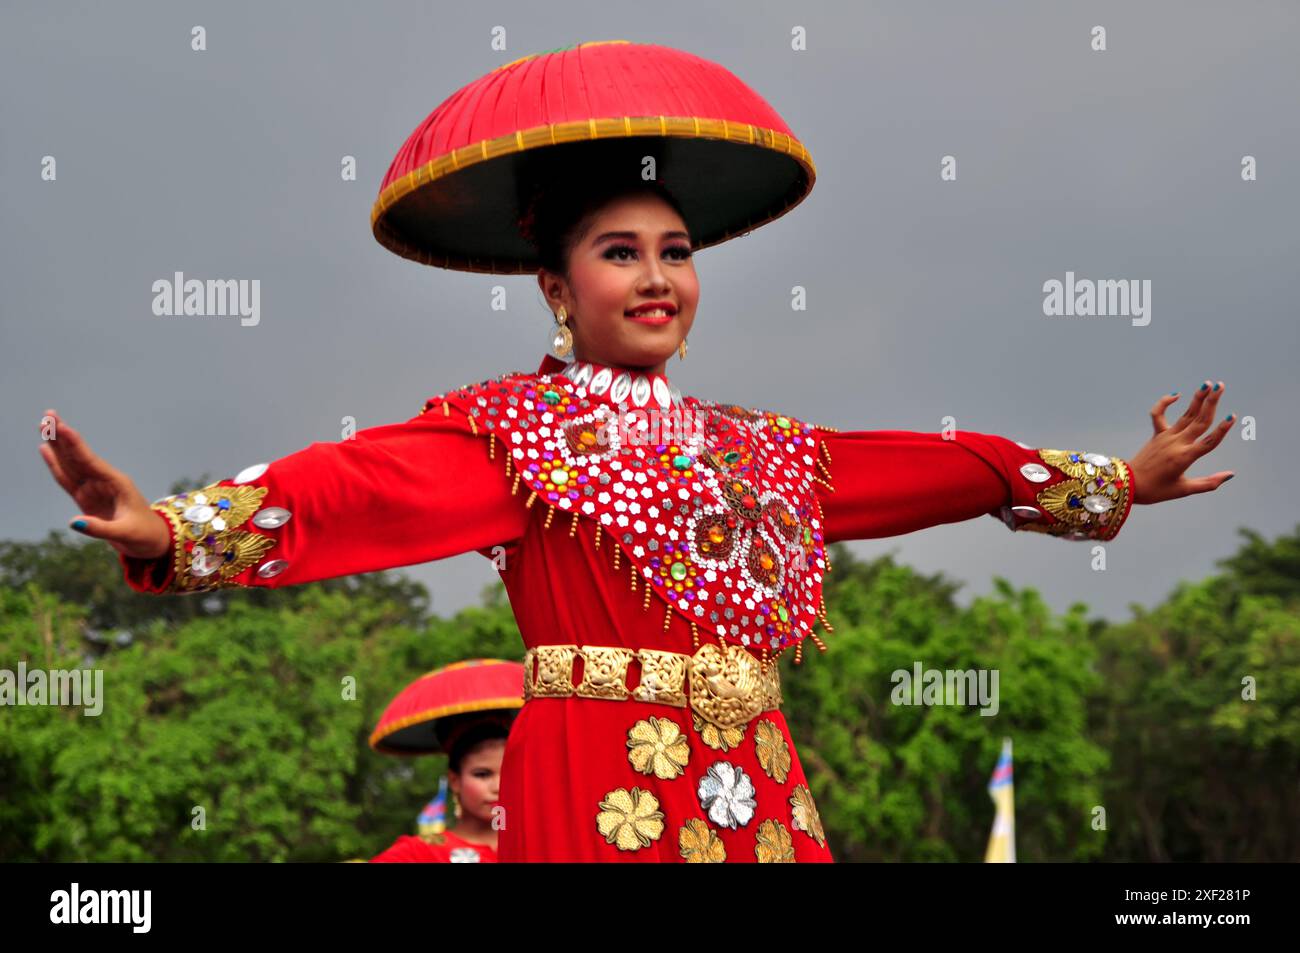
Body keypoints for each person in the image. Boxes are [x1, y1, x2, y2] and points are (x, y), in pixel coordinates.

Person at [38, 41, 1235, 862]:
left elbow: (935, 465)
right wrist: (169, 529)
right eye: (619, 251)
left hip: (754, 764)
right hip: (596, 761)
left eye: (674, 249)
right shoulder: (514, 433)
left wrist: (1110, 482)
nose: (657, 275)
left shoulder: (758, 450)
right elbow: (352, 486)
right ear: (556, 285)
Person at [368, 659, 522, 863]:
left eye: (509, 773)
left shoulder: (543, 848)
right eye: (483, 774)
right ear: (454, 780)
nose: (498, 787)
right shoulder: (417, 854)